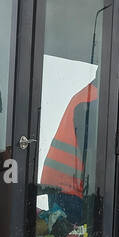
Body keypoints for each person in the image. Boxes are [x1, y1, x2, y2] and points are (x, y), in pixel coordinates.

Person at [40, 82, 97, 224]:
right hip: (68, 187)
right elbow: (94, 159)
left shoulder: (89, 95)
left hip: (62, 184)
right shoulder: (93, 103)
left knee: (64, 234)